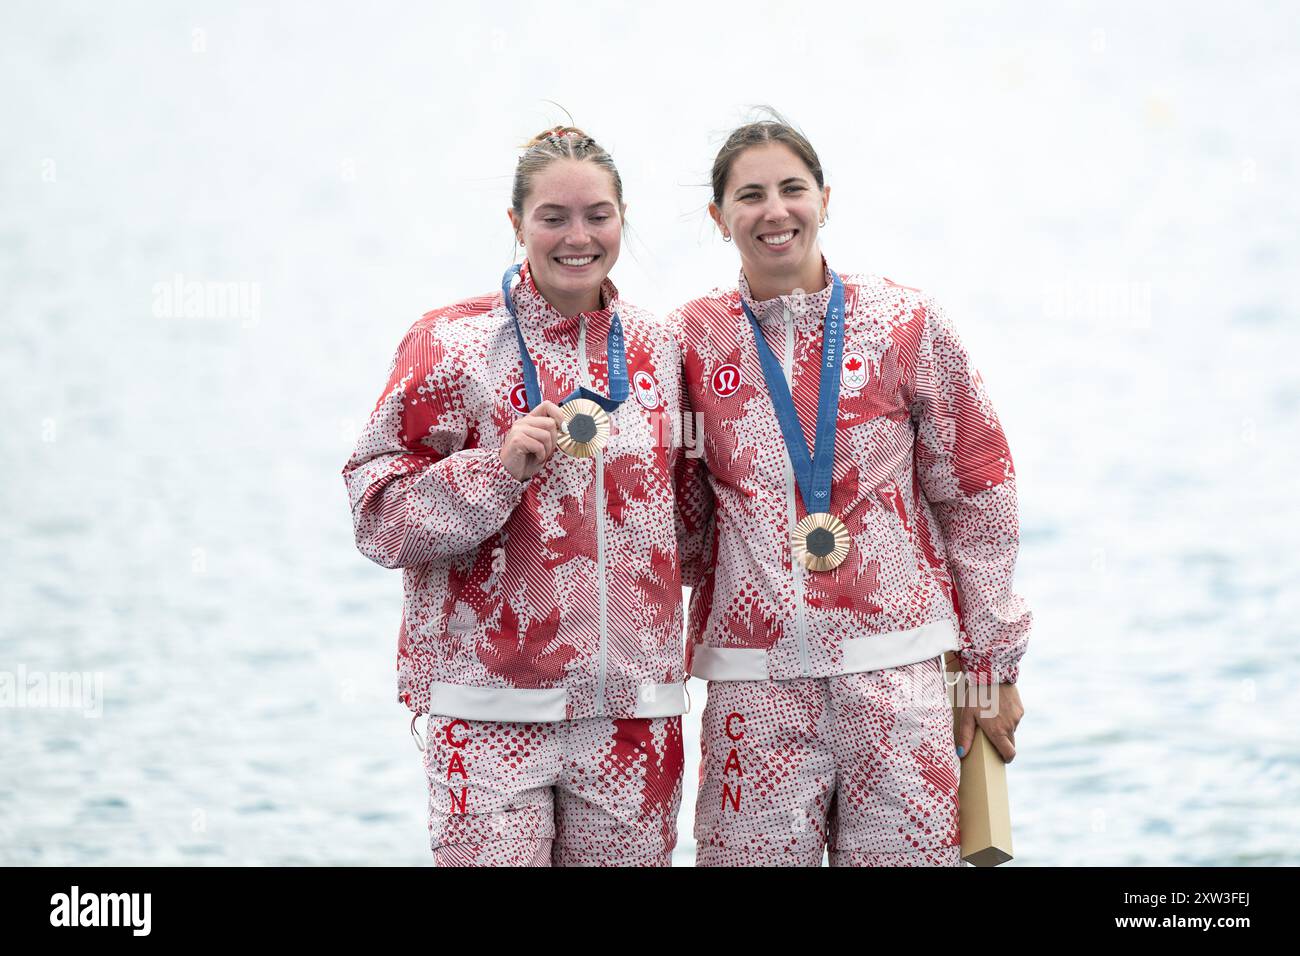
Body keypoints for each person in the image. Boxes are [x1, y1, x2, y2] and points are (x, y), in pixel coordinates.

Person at [672, 112, 1031, 867]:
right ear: (719, 216)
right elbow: (672, 514)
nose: (775, 211)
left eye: (793, 189)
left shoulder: (904, 322)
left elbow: (978, 492)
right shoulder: (689, 341)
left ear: (825, 199)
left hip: (901, 684)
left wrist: (990, 669)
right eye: (751, 195)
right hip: (756, 687)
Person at [343, 125, 687, 866]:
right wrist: (493, 472)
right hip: (488, 712)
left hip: (634, 714)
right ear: (515, 224)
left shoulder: (663, 347)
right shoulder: (449, 344)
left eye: (598, 214)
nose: (577, 236)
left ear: (623, 217)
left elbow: (702, 515)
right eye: (553, 216)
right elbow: (377, 516)